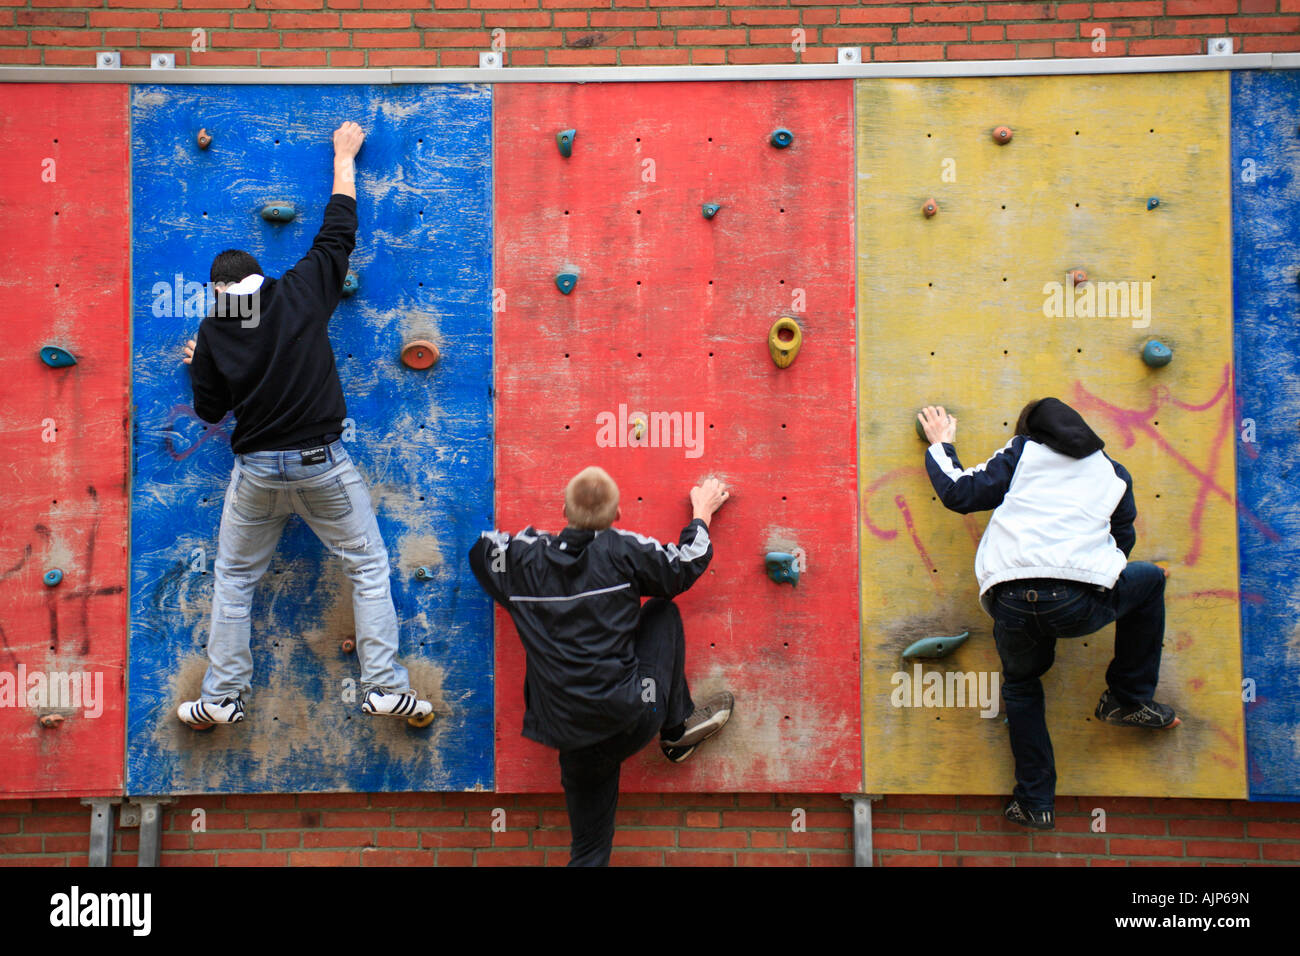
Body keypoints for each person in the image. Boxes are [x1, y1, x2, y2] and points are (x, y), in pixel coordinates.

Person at [176, 121, 432, 728]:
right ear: (258, 275)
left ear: (222, 291)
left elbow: (211, 412)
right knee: (367, 567)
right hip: (322, 465)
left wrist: (202, 363)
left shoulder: (216, 326)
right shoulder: (298, 290)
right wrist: (344, 155)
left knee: (236, 580)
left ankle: (223, 698)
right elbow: (339, 224)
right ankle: (382, 688)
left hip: (258, 472)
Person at [918, 398, 1179, 831]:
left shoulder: (1023, 451)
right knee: (1149, 579)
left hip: (1011, 599)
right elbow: (1122, 541)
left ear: (1032, 430)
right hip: (1077, 602)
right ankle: (1128, 699)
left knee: (1022, 686)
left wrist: (941, 444)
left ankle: (1036, 802)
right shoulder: (1114, 473)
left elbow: (960, 493)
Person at [470, 467, 734, 865]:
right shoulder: (621, 550)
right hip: (631, 715)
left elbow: (482, 549)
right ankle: (676, 729)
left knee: (589, 851)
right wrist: (701, 513)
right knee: (661, 611)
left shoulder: (525, 564)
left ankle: (674, 729)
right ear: (619, 515)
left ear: (563, 509)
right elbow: (684, 566)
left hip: (571, 733)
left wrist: (544, 555)